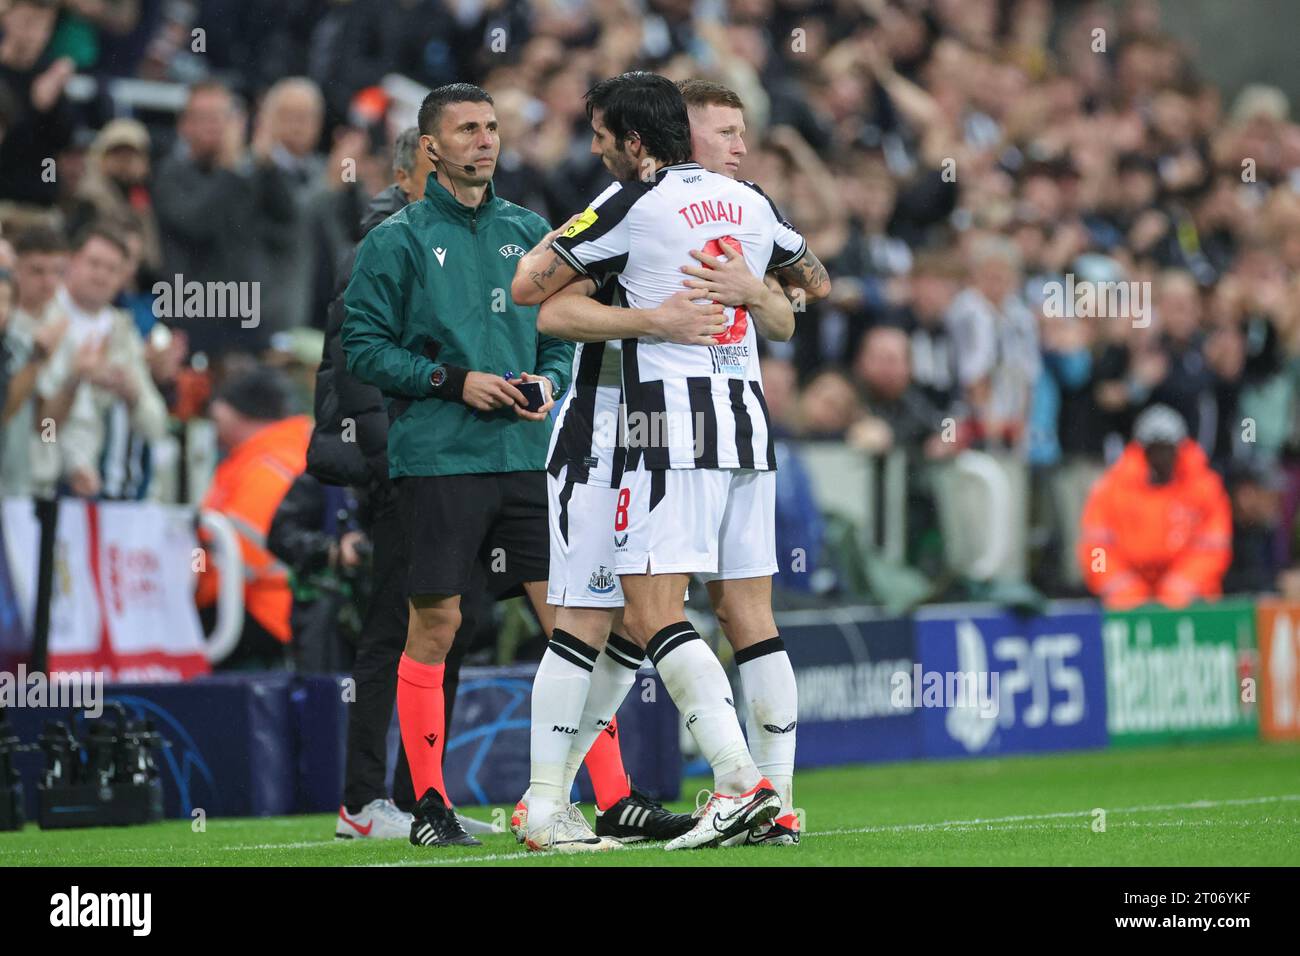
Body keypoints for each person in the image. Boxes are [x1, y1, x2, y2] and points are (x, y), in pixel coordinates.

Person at [509, 77, 829, 850]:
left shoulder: (640, 205)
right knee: (622, 618)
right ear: (688, 133)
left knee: (619, 613)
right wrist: (734, 300)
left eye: (740, 131)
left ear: (640, 139)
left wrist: (730, 298)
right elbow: (809, 291)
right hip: (691, 428)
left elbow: (532, 292)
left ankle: (740, 784)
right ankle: (558, 801)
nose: (739, 145)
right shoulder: (747, 206)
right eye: (726, 131)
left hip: (651, 427)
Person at [345, 83, 587, 848]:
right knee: (437, 623)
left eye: (491, 127)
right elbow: (362, 347)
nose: (485, 140)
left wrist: (549, 378)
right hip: (439, 459)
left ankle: (594, 798)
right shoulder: (397, 239)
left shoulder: (532, 231)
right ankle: (430, 807)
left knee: (570, 622)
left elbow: (560, 329)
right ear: (431, 147)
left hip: (523, 456)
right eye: (467, 130)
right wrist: (454, 381)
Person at [35, 224, 168, 500]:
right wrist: (78, 377)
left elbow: (156, 425)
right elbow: (40, 420)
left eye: (112, 269)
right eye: (94, 263)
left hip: (116, 489)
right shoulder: (44, 317)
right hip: (49, 482)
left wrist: (132, 394)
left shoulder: (123, 331)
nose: (102, 275)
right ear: (71, 262)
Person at [196, 368, 312, 668]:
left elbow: (242, 556)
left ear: (237, 412)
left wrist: (188, 596)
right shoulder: (269, 457)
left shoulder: (266, 466)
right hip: (272, 611)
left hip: (263, 616)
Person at [1078, 404, 1232, 608]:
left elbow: (1214, 549)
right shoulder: (1111, 488)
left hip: (1188, 594)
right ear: (1142, 450)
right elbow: (1097, 550)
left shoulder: (1204, 487)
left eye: (1168, 448)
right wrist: (1119, 585)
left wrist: (1181, 585)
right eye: (1155, 449)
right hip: (1127, 594)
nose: (1162, 457)